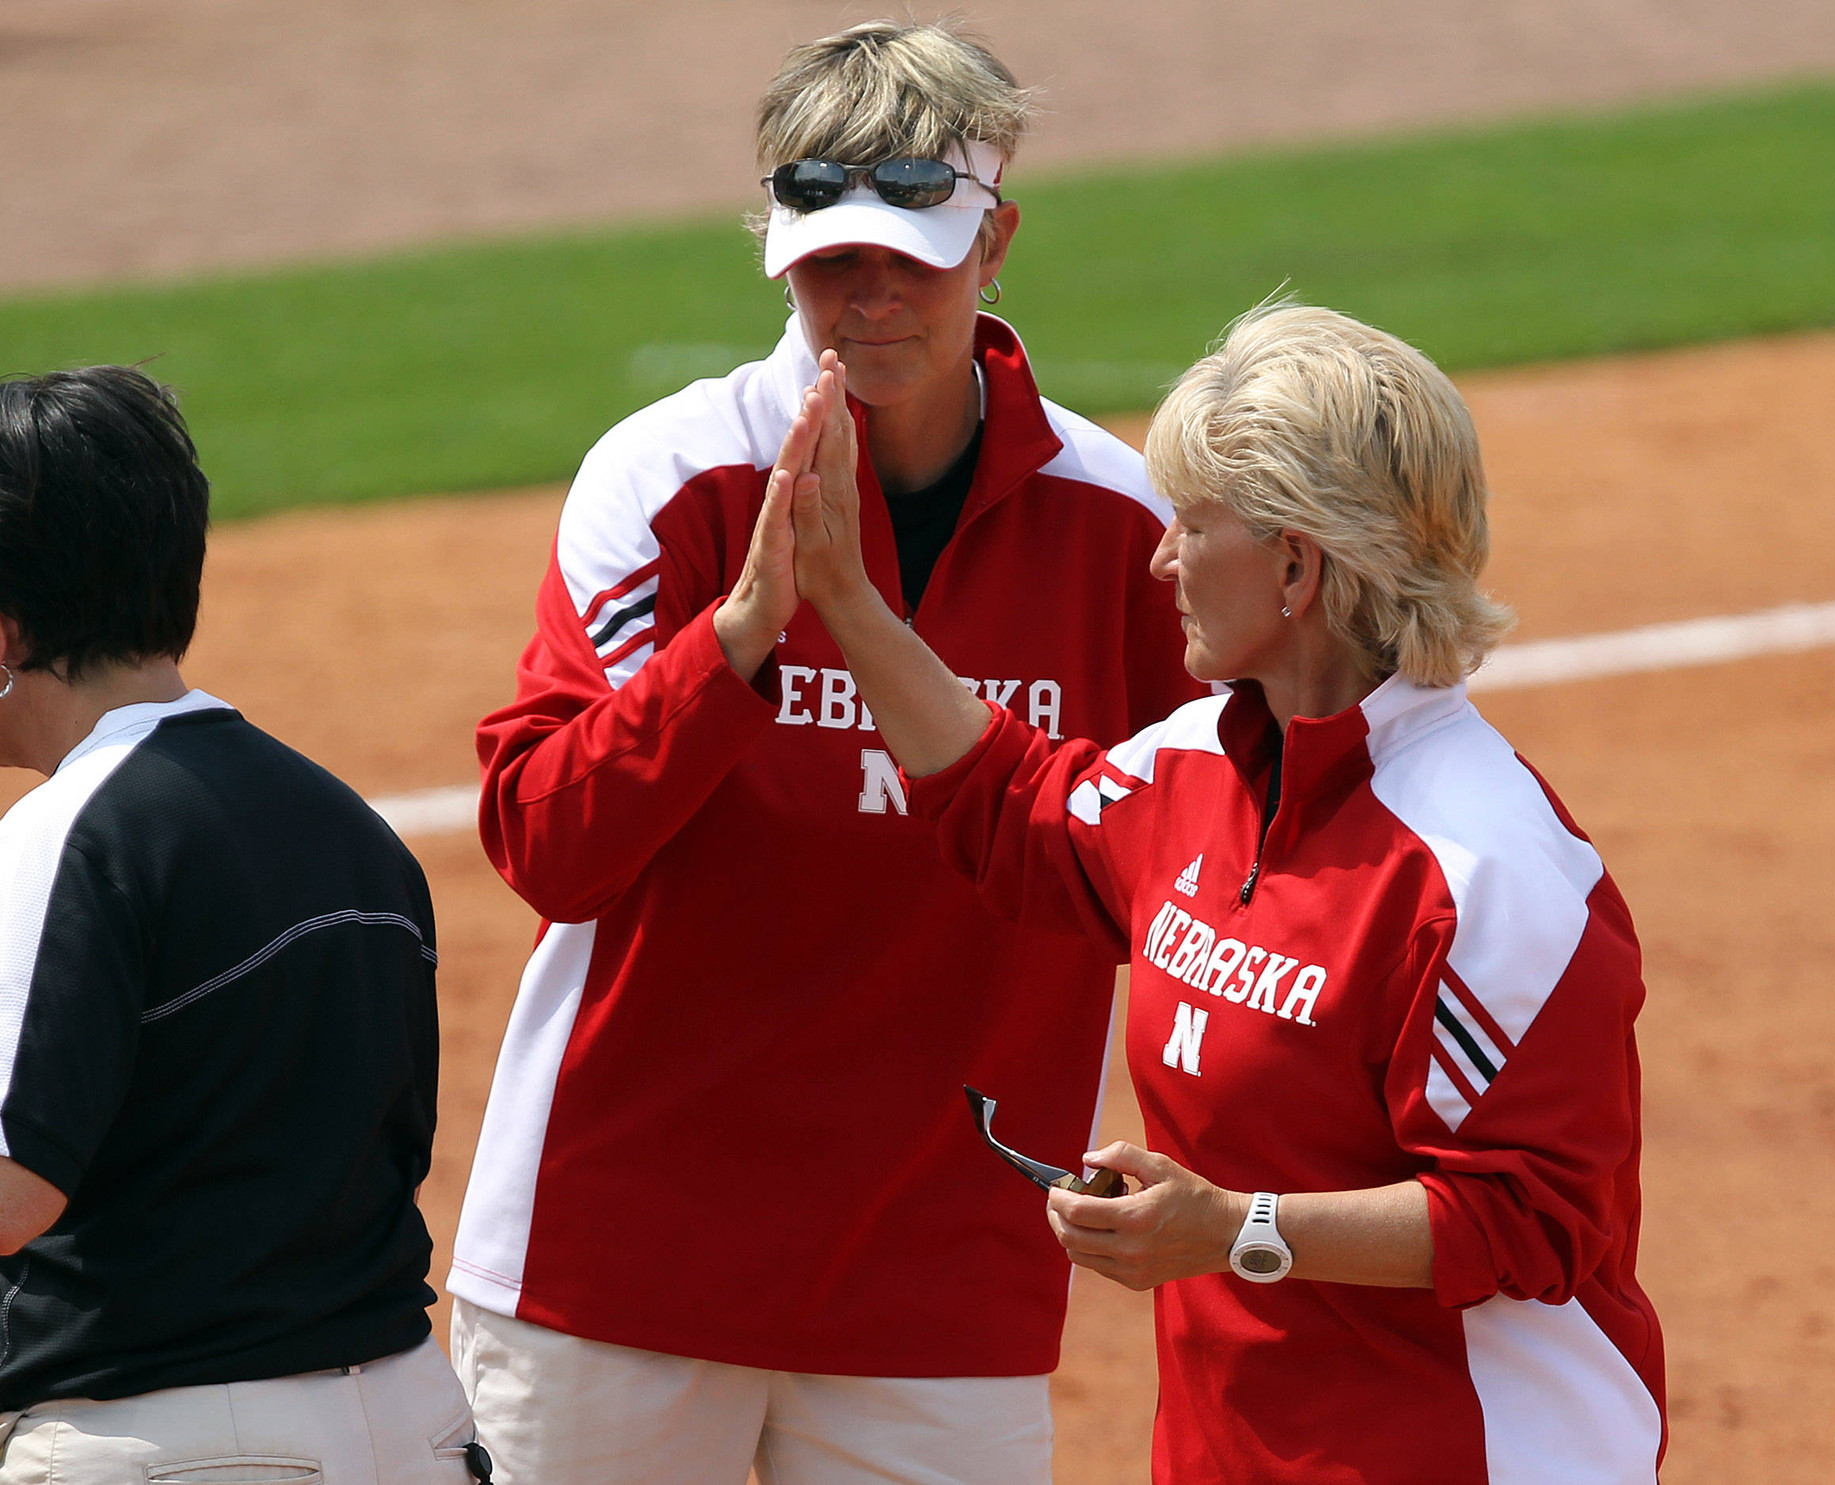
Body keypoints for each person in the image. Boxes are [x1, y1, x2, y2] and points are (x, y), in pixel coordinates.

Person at [447, 20, 1198, 1483]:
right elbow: (546, 839)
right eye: (828, 259)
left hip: (941, 1283)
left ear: (995, 243)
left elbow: (1193, 868)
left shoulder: (1121, 527)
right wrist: (736, 640)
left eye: (908, 256)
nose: (865, 298)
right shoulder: (669, 483)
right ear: (777, 257)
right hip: (622, 1266)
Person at [780, 303, 1667, 1482]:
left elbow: (1539, 1220)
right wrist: (845, 599)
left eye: (1193, 526)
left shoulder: (1481, 871)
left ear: (1297, 565)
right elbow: (1011, 804)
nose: (1161, 559)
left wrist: (1235, 1231)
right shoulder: (1196, 766)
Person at [0, 367, 482, 1483]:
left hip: (177, 1446)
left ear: (10, 630)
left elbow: (17, 1188)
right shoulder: (351, 825)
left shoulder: (67, 834)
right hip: (408, 1423)